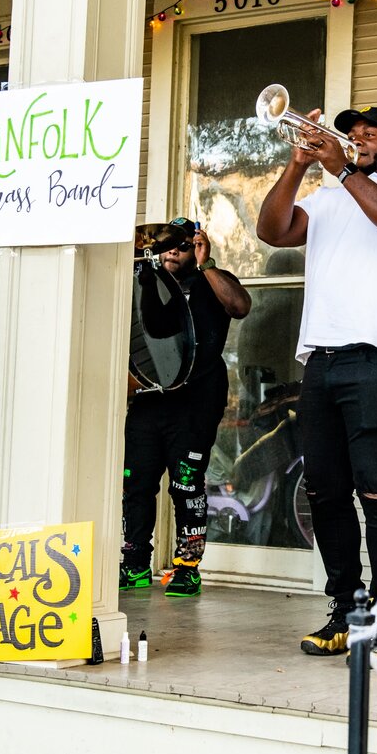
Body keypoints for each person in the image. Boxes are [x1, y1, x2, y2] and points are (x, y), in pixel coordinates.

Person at [256, 104, 377, 656]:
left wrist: (343, 169)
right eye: (352, 132)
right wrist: (297, 166)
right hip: (322, 360)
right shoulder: (328, 195)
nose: (358, 137)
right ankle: (346, 608)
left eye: (371, 132)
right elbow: (274, 230)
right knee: (325, 494)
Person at [120, 223, 250, 598]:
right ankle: (134, 565)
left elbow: (239, 306)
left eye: (182, 245)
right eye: (166, 246)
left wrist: (206, 263)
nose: (173, 252)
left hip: (197, 401)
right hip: (150, 398)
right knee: (137, 483)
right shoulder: (149, 281)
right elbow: (147, 332)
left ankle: (187, 568)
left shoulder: (212, 279)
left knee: (186, 483)